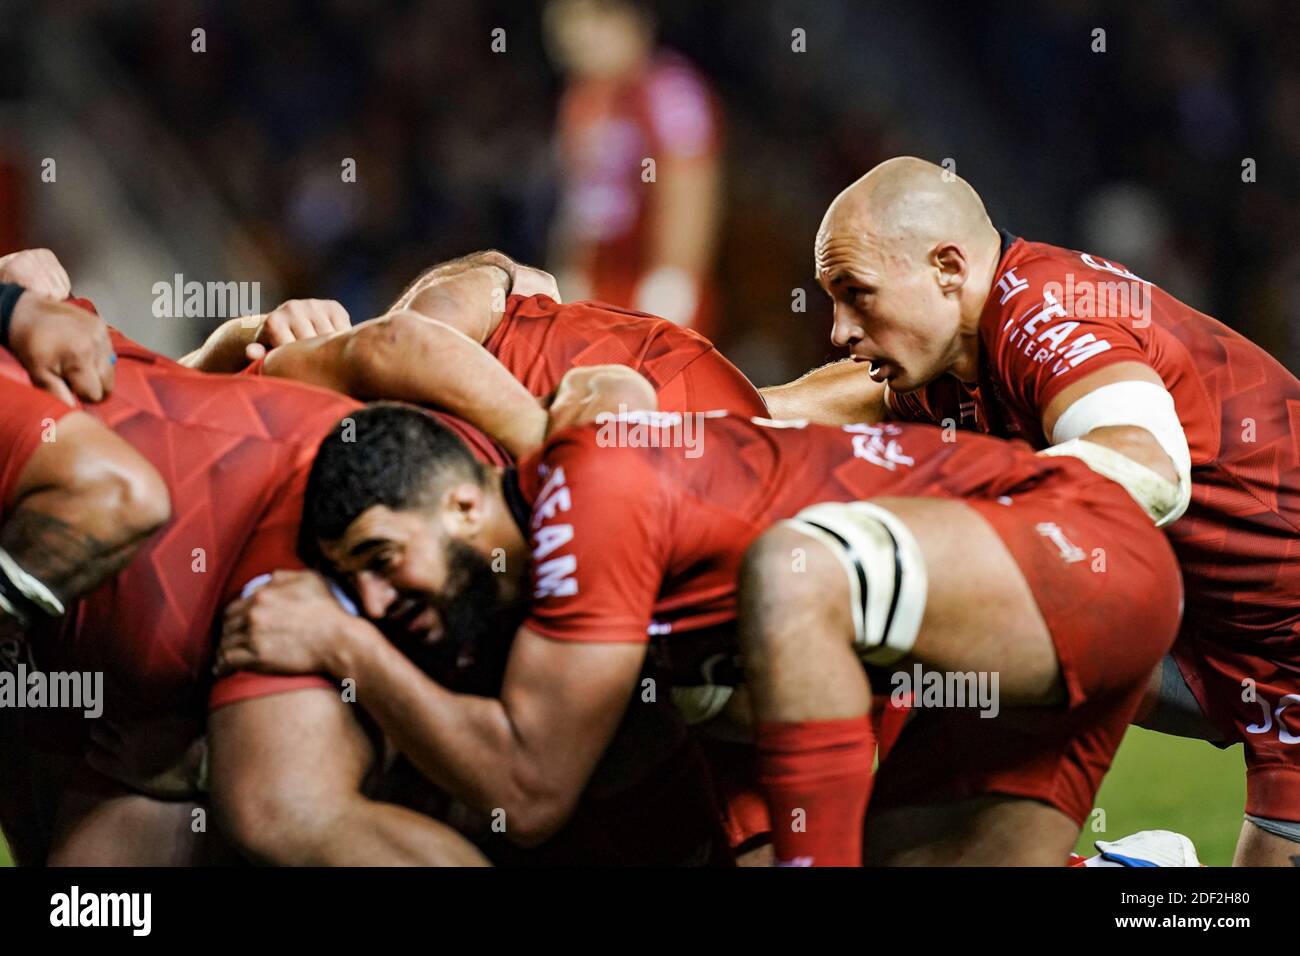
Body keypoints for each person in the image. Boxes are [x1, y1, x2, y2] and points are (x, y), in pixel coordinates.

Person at [215, 393, 1181, 865]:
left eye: (383, 560)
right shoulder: (577, 580)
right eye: (357, 590)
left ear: (465, 509)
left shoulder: (584, 493)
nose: (383, 605)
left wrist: (342, 647)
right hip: (1007, 653)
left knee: (793, 571)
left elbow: (529, 784)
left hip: (1084, 546)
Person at [787, 156, 1300, 865]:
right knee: (918, 642)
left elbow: (1146, 464)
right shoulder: (948, 357)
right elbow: (812, 407)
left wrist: (958, 510)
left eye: (856, 294)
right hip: (1198, 639)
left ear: (947, 269)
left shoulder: (1047, 312)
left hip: (1283, 640)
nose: (840, 330)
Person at [545, 0, 723, 333]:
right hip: (600, 277)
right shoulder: (581, 100)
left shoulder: (671, 92)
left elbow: (690, 186)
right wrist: (570, 272)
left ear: (629, 24)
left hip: (648, 274)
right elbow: (578, 200)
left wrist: (674, 276)